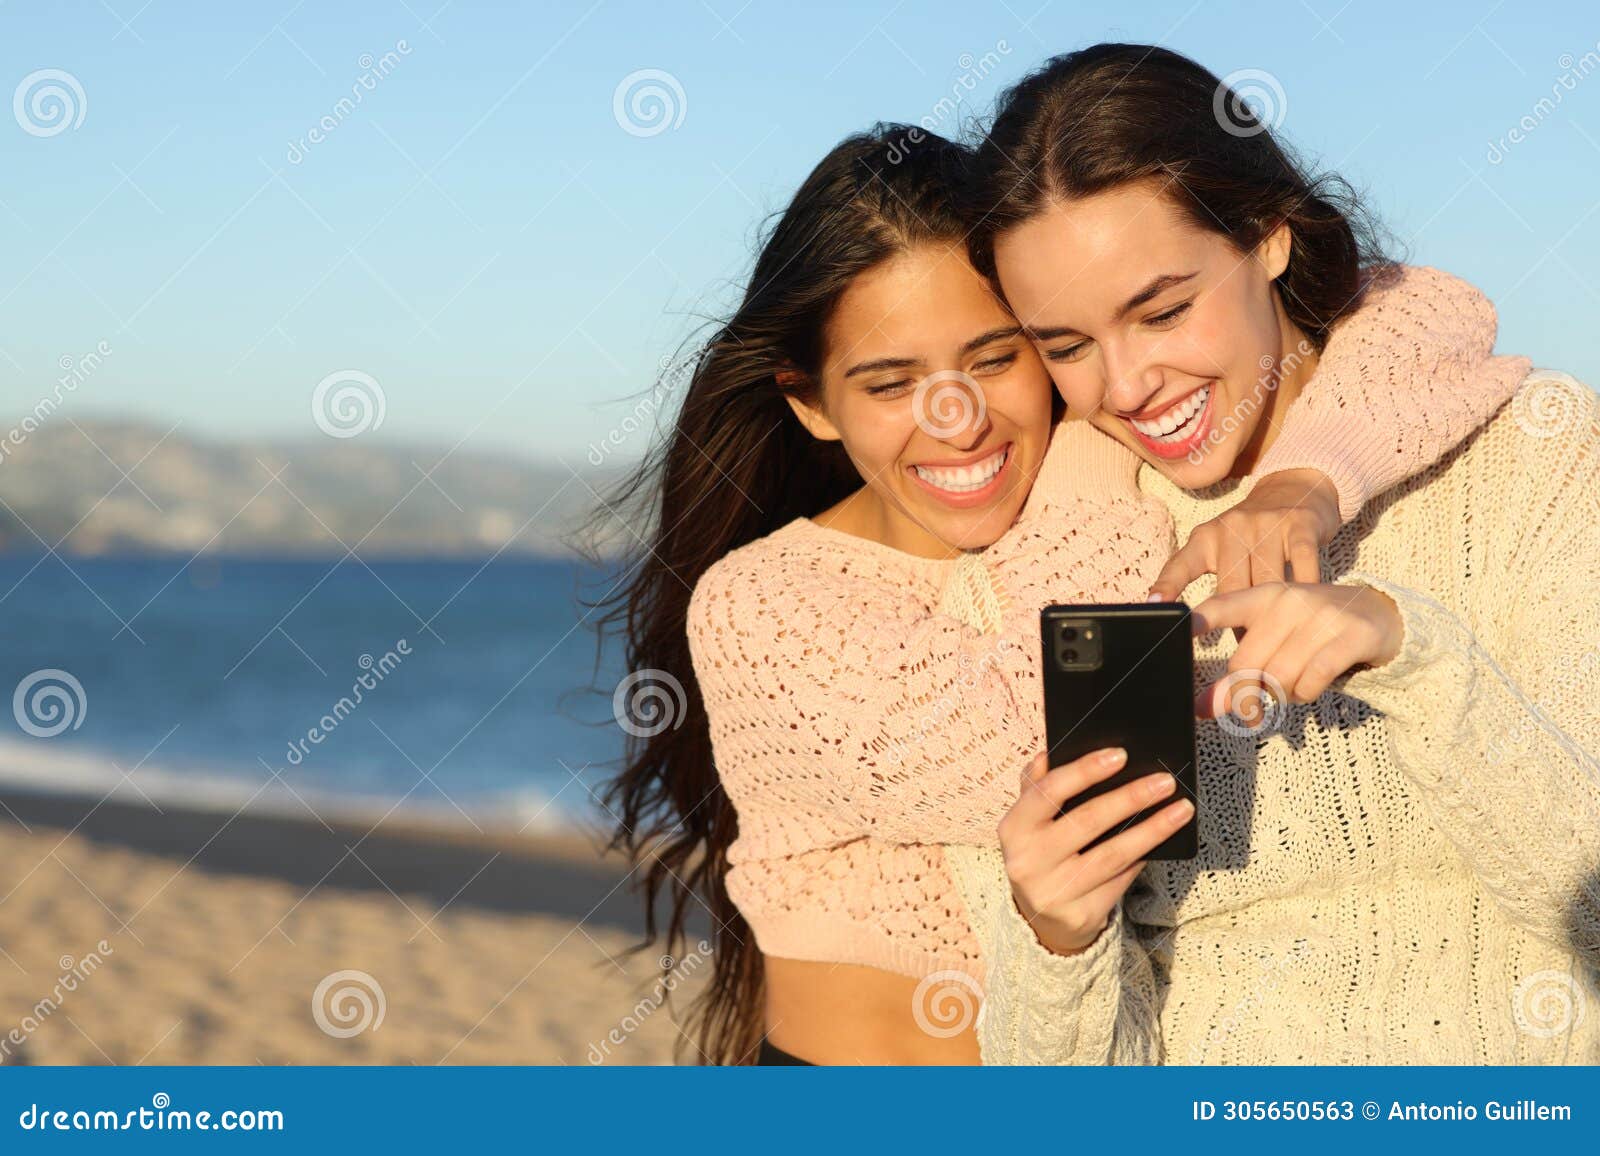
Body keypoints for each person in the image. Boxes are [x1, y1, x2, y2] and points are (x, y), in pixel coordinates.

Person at [592, 119, 1523, 1064]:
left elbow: (1425, 315)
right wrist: (1085, 471)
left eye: (996, 359)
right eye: (888, 382)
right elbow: (1073, 756)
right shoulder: (763, 603)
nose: (954, 421)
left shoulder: (1101, 451)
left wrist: (1310, 478)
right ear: (809, 403)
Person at [958, 42, 1598, 1064]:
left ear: (1267, 235)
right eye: (1065, 346)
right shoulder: (1071, 551)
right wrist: (1055, 938)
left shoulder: (1534, 455)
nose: (1125, 385)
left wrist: (1409, 653)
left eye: (1162, 310)